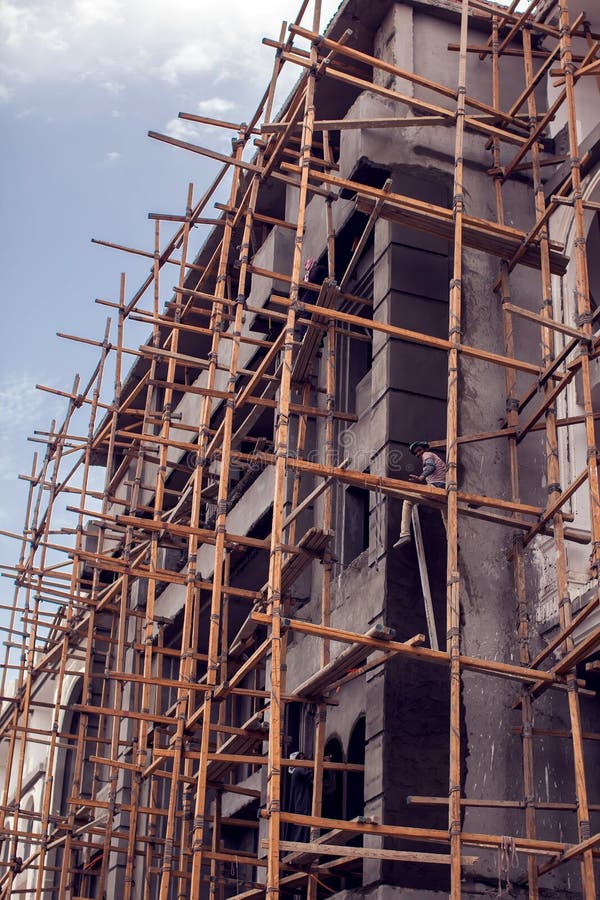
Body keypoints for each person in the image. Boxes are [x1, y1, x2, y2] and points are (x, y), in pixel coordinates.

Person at [393, 441, 447, 549]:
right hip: (443, 491)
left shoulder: (428, 454)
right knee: (445, 514)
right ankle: (453, 540)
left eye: (419, 450)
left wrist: (421, 477)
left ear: (425, 449)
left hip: (436, 488)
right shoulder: (434, 457)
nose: (418, 454)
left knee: (408, 500)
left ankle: (404, 534)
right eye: (416, 453)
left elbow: (430, 466)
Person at [286, 751, 313, 842]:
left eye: (303, 758)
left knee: (301, 829)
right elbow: (312, 776)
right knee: (303, 829)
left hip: (301, 805)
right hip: (303, 806)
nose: (303, 760)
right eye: (301, 758)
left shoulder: (296, 772)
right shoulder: (298, 770)